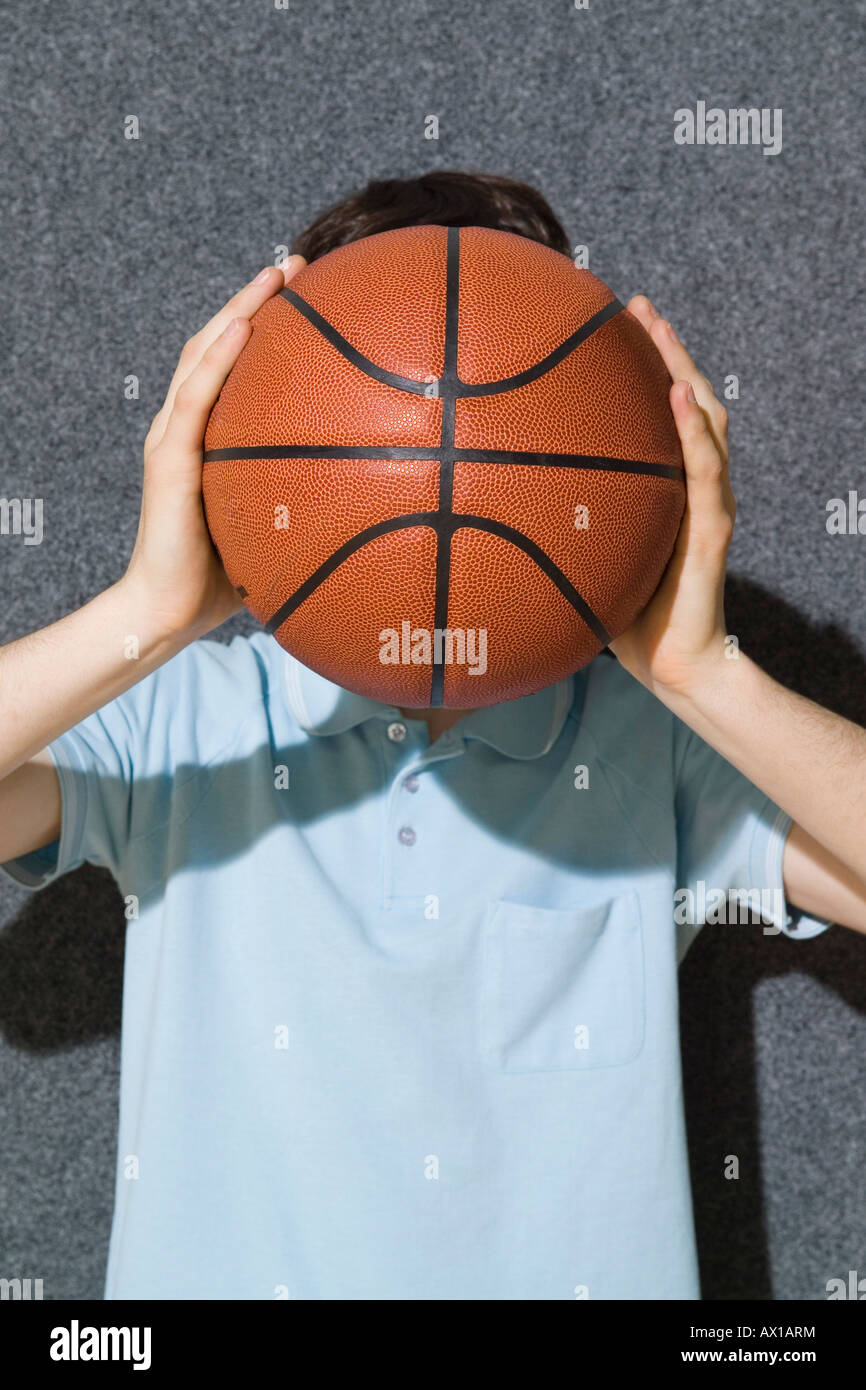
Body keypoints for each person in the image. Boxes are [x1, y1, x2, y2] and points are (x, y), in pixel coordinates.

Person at [1, 171, 864, 1301]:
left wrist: (701, 675)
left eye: (485, 405)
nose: (439, 435)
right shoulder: (183, 718)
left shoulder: (658, 747)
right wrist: (146, 612)